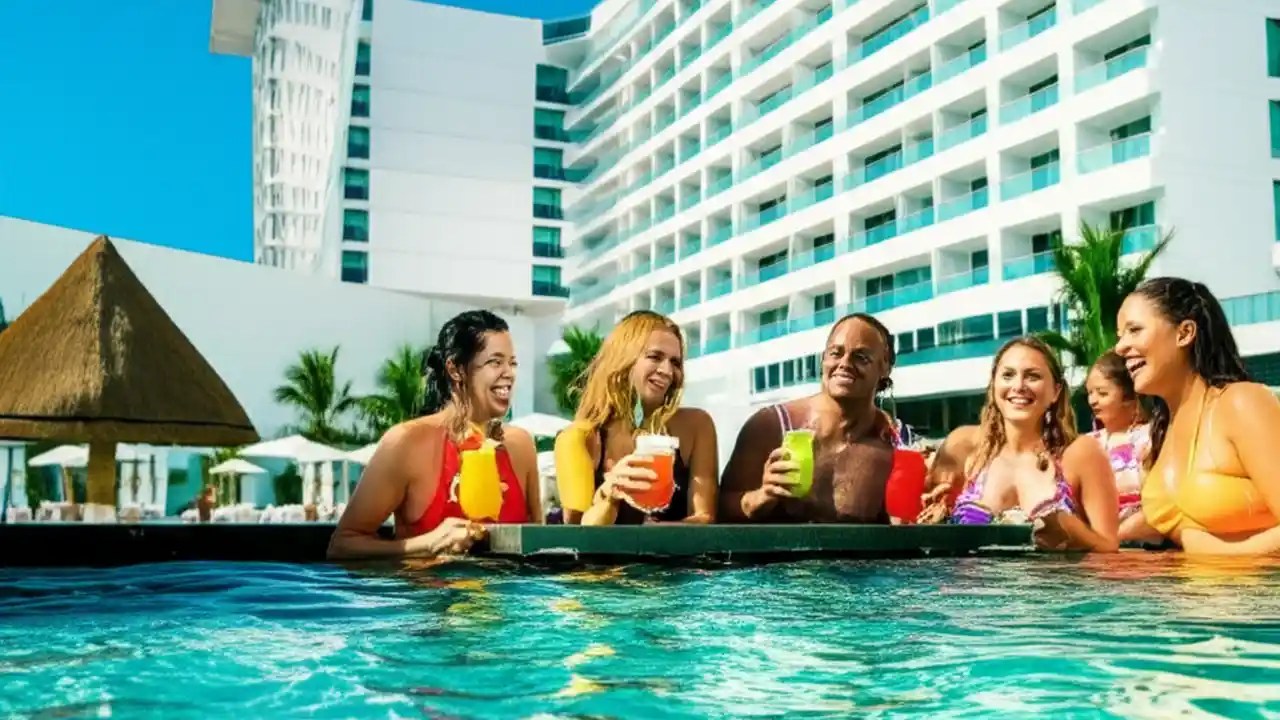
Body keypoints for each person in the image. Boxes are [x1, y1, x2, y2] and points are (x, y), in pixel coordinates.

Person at [327, 310, 541, 559]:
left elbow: (539, 550)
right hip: (431, 595)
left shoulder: (521, 445)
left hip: (509, 597)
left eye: (512, 363)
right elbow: (342, 546)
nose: (509, 373)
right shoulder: (406, 443)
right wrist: (428, 544)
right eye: (495, 362)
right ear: (456, 370)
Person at [1116, 277, 1280, 555]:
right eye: (1120, 336)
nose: (1120, 348)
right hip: (1189, 595)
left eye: (1134, 330)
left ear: (1185, 333)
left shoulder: (1240, 403)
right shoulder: (1160, 435)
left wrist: (1211, 550)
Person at [918, 336, 1120, 552]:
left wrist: (1072, 529)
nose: (1018, 386)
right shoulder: (965, 448)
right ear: (994, 385)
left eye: (1032, 376)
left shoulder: (1080, 453)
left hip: (1052, 584)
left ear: (1056, 391)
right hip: (973, 584)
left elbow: (1109, 548)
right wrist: (939, 518)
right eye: (1008, 375)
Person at [719, 312, 906, 523]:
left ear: (885, 368)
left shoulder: (898, 444)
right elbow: (720, 507)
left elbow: (910, 524)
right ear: (823, 360)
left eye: (861, 357)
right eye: (836, 353)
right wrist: (761, 498)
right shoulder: (771, 425)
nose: (844, 363)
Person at [555, 310, 718, 525]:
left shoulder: (696, 426)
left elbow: (705, 519)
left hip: (672, 558)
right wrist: (610, 494)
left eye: (675, 362)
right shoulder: (578, 438)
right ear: (623, 359)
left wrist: (655, 533)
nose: (667, 370)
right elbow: (577, 534)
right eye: (655, 357)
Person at [1085, 350, 1154, 540]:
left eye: (1102, 393)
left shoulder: (1148, 437)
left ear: (1129, 397)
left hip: (1144, 538)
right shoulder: (1089, 443)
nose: (1092, 400)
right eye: (1090, 393)